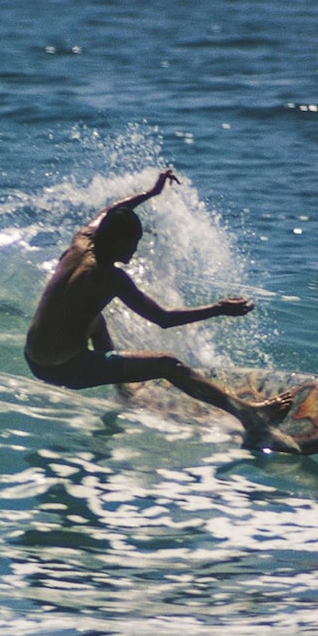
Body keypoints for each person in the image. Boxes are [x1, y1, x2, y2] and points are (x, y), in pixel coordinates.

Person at [25, 169, 298, 452]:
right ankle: (248, 414)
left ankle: (123, 392)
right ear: (118, 242)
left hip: (34, 358)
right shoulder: (110, 277)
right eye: (132, 244)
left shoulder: (80, 243)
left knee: (95, 319)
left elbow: (110, 211)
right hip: (64, 370)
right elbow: (163, 319)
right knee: (167, 364)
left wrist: (150, 193)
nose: (134, 250)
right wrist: (218, 309)